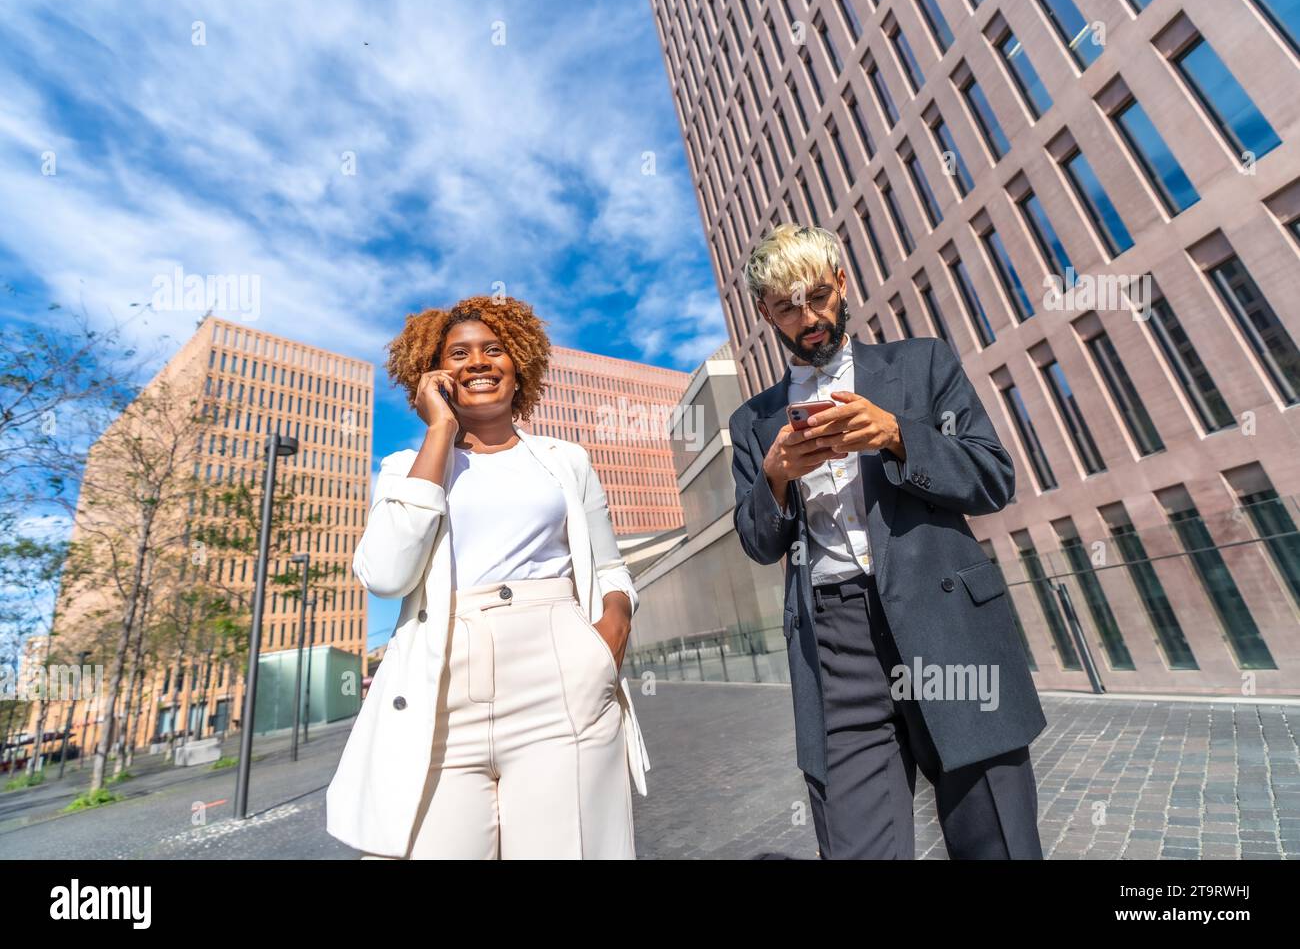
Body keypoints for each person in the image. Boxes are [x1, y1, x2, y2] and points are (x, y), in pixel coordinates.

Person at [728, 224, 1045, 859]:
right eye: (787, 307)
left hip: (946, 621)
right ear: (766, 315)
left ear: (841, 283)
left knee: (997, 841)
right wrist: (776, 478)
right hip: (835, 640)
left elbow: (993, 478)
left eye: (817, 296)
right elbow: (760, 544)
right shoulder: (753, 422)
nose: (809, 318)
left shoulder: (923, 363)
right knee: (859, 847)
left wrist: (897, 434)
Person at [325, 295, 650, 859]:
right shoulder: (406, 467)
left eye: (493, 349)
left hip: (562, 681)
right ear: (433, 373)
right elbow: (385, 574)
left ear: (517, 363)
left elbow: (608, 564)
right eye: (459, 353)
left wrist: (609, 635)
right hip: (443, 695)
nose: (478, 361)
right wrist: (440, 432)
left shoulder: (564, 459)